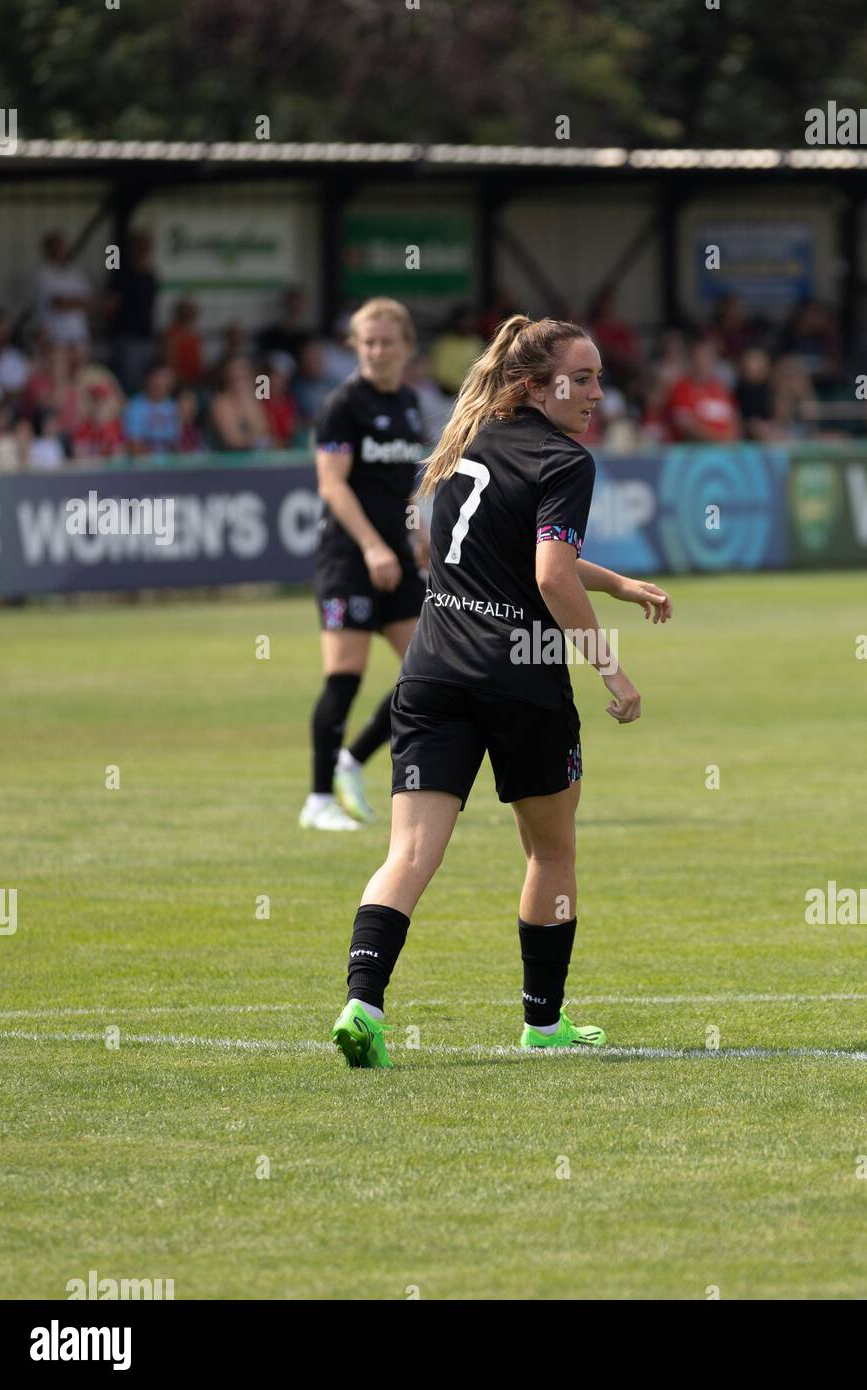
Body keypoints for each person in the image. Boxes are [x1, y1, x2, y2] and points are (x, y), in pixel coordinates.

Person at [329, 314, 673, 1068]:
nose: (594, 394)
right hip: (519, 677)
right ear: (534, 385)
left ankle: (362, 1002)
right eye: (578, 380)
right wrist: (610, 666)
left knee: (411, 852)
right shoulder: (566, 461)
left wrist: (612, 582)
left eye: (597, 378)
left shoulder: (465, 445)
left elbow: (507, 550)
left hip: (430, 669)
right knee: (551, 852)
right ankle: (542, 1022)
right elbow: (548, 573)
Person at [300, 298, 431, 832]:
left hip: (396, 556)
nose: (376, 351)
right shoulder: (342, 405)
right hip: (348, 559)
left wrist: (415, 527)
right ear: (355, 347)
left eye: (386, 341)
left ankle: (351, 762)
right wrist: (373, 546)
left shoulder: (409, 404)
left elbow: (402, 484)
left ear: (406, 346)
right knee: (344, 679)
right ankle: (316, 800)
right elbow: (332, 484)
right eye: (367, 342)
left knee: (429, 670)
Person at [104, 230, 158, 395]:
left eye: (147, 246)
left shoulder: (150, 274)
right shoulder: (120, 271)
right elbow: (109, 304)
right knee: (129, 383)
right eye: (140, 245)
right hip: (127, 337)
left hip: (147, 335)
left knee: (147, 381)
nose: (144, 249)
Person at [666, 336, 741, 443]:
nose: (703, 362)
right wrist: (718, 441)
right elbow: (684, 425)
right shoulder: (682, 388)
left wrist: (731, 439)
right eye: (699, 357)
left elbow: (734, 420)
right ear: (692, 360)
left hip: (726, 453)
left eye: (708, 357)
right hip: (696, 453)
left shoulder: (721, 388)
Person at [35, 231, 93, 347]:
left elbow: (90, 301)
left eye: (62, 246)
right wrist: (77, 301)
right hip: (54, 338)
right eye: (55, 246)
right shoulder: (42, 273)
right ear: (47, 249)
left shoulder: (74, 271)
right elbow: (58, 304)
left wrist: (70, 301)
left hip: (78, 335)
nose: (59, 249)